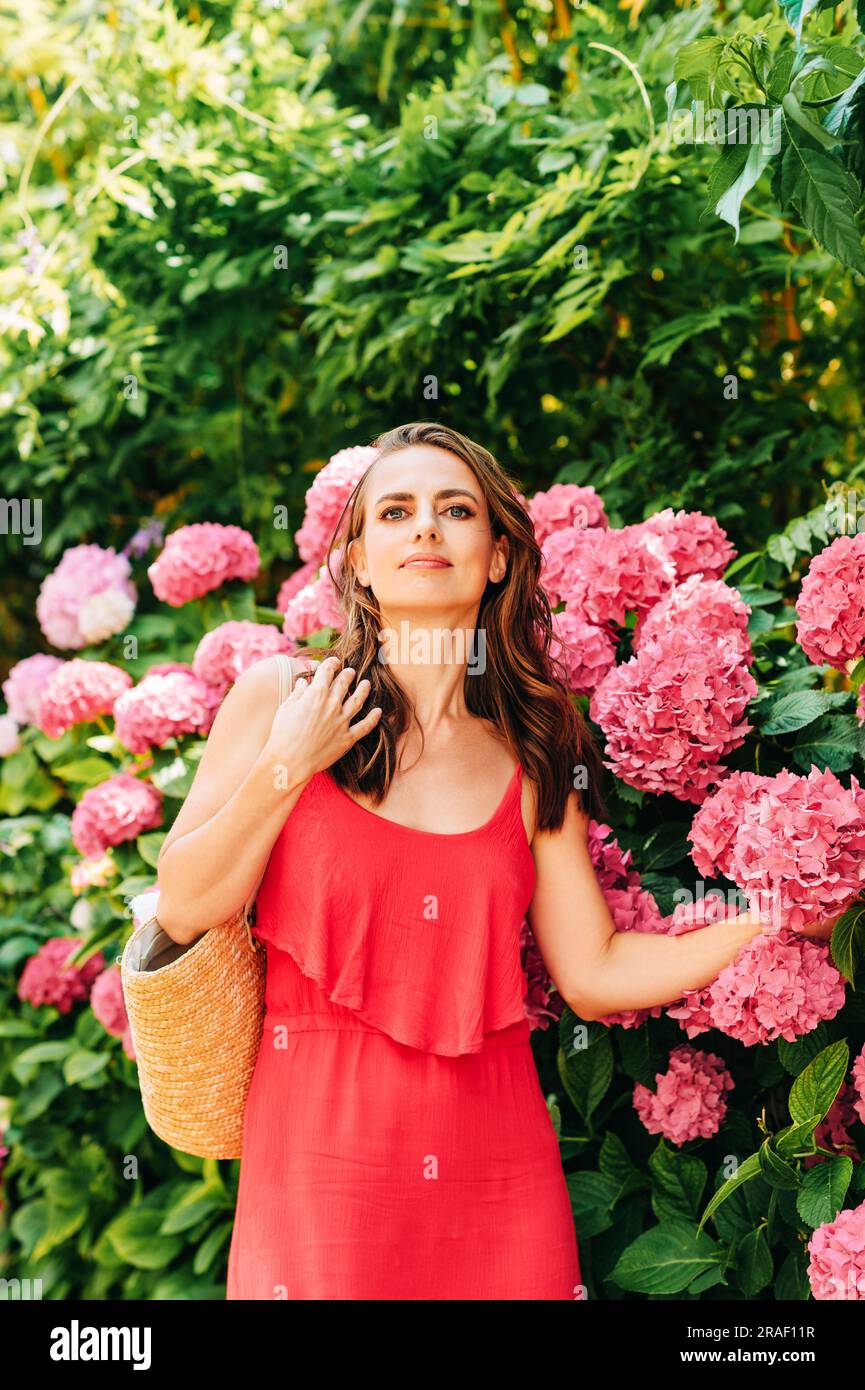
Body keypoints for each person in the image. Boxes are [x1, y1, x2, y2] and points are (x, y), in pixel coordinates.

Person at [154, 421, 837, 1300]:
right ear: (358, 561)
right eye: (395, 512)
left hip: (495, 1161)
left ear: (500, 558)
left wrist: (769, 915)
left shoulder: (535, 742)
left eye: (455, 509)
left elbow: (590, 970)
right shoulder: (281, 697)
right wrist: (291, 759)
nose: (426, 528)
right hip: (317, 1153)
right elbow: (183, 904)